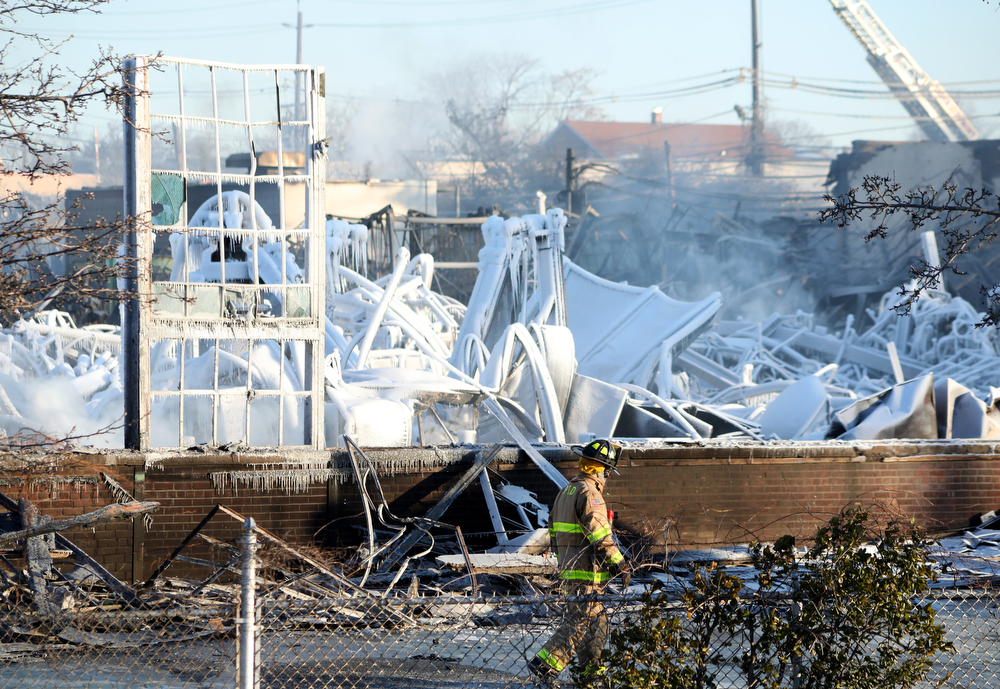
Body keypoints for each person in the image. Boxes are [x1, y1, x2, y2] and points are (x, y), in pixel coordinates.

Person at [528, 438, 627, 683]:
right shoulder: (590, 494)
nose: (607, 478)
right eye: (607, 473)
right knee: (579, 624)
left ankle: (592, 676)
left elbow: (553, 532)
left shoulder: (565, 492)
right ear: (601, 470)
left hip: (571, 572)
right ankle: (545, 664)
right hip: (588, 575)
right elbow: (600, 534)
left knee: (598, 626)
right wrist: (620, 563)